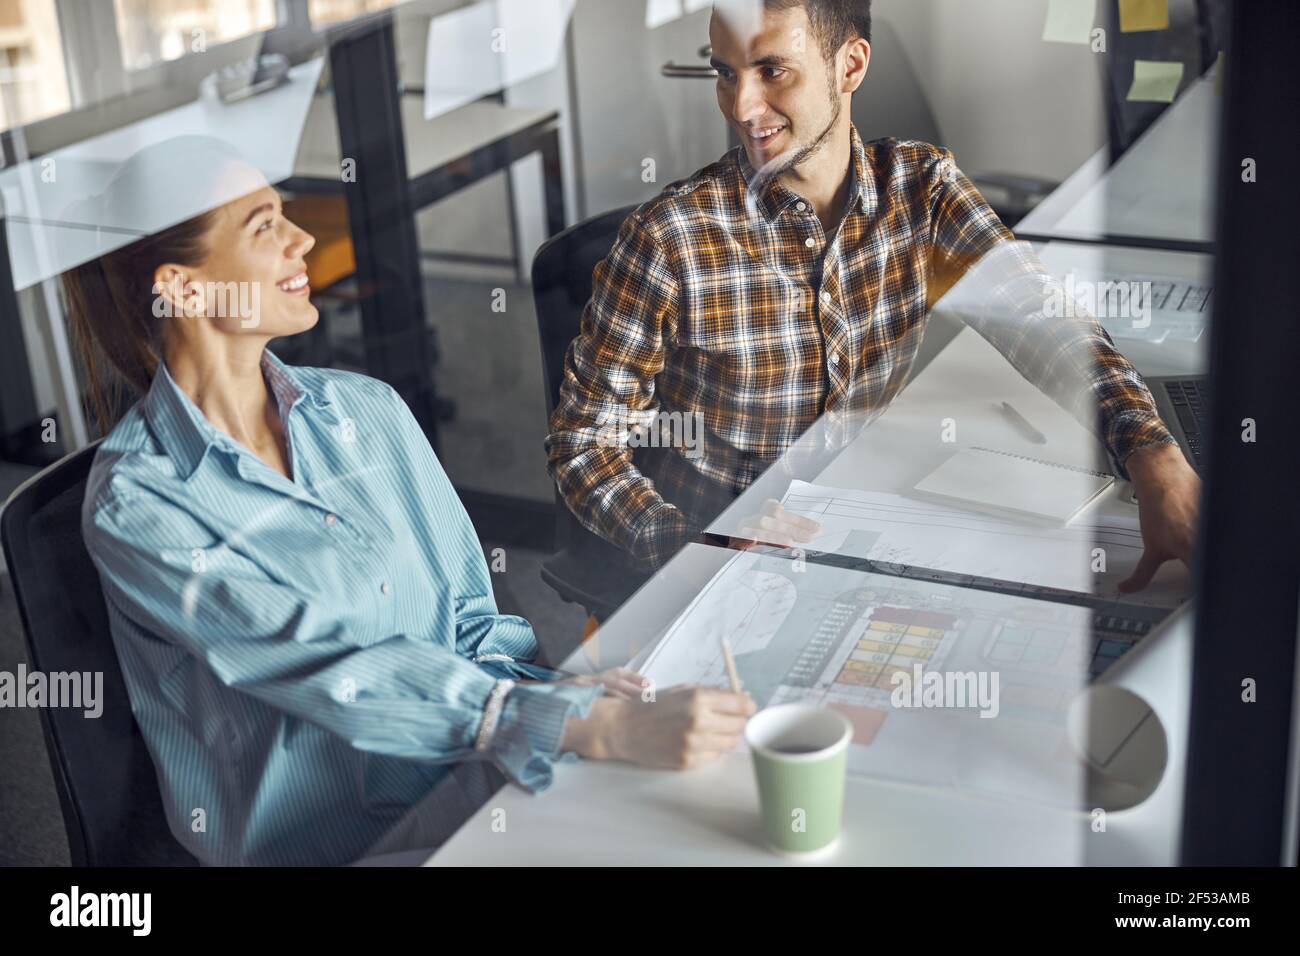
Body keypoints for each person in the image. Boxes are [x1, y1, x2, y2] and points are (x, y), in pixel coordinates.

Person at [71, 137, 754, 866]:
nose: (303, 238)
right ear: (182, 287)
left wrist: (570, 696)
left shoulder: (368, 410)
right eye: (264, 224)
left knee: (723, 812)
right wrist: (585, 727)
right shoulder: (141, 502)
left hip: (481, 776)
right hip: (347, 843)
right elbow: (334, 670)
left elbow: (468, 620)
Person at [547, 0, 1200, 600]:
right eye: (725, 73)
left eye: (773, 71)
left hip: (864, 535)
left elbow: (1041, 322)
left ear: (850, 66)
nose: (742, 106)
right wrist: (690, 541)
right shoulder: (672, 240)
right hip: (713, 579)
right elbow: (583, 446)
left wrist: (1153, 456)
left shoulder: (922, 190)